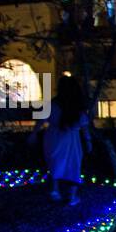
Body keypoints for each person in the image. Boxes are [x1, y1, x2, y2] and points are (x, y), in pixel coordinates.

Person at [33, 76, 91, 206]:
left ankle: (55, 191)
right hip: (72, 140)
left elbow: (40, 121)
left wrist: (33, 134)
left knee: (55, 164)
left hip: (53, 138)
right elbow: (85, 126)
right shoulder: (77, 106)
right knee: (73, 166)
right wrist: (88, 141)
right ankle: (72, 196)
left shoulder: (52, 104)